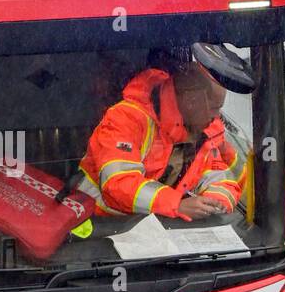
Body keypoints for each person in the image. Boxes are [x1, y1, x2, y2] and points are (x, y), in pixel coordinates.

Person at [79, 60, 246, 219]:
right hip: (97, 227)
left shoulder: (205, 132)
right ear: (191, 102)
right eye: (214, 108)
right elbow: (118, 185)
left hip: (160, 232)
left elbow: (223, 181)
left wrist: (214, 203)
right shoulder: (125, 119)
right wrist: (177, 204)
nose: (216, 116)